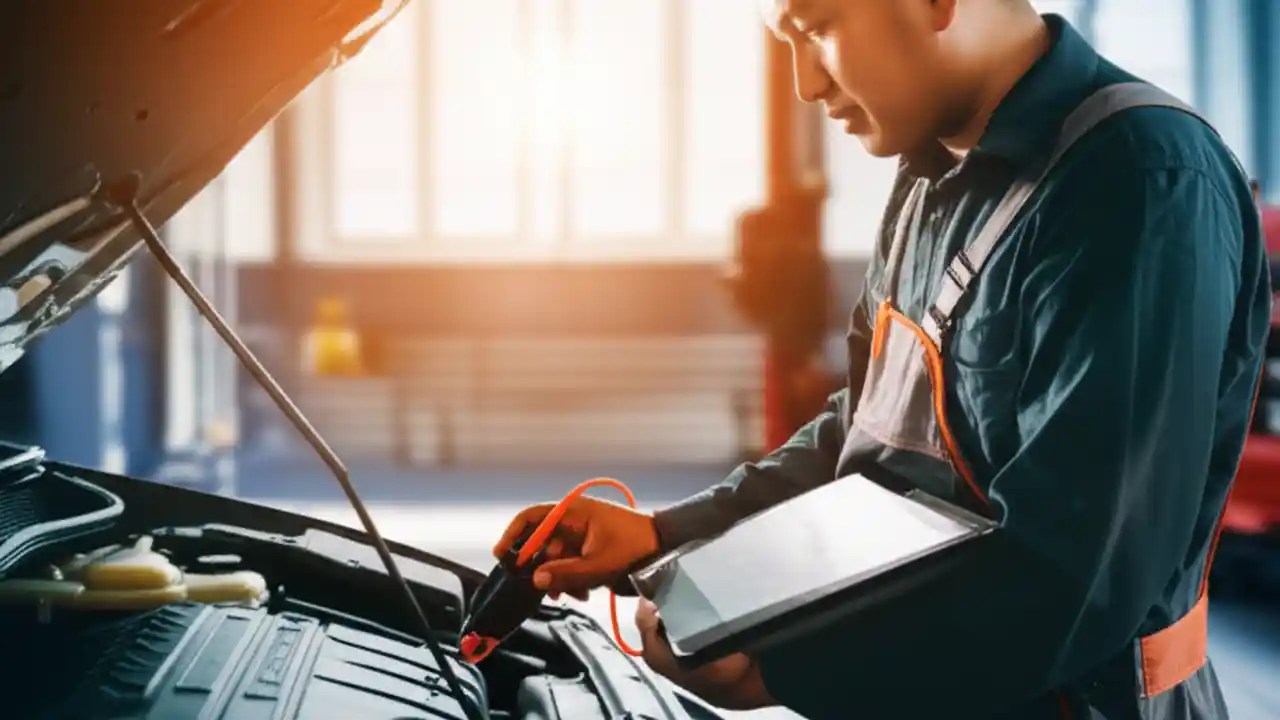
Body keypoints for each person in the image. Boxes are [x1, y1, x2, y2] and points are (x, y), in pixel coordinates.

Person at [492, 2, 1271, 718]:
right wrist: (664, 534)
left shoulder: (1139, 182)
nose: (804, 83)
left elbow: (1074, 575)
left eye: (817, 26)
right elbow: (870, 429)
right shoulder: (930, 176)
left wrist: (786, 670)